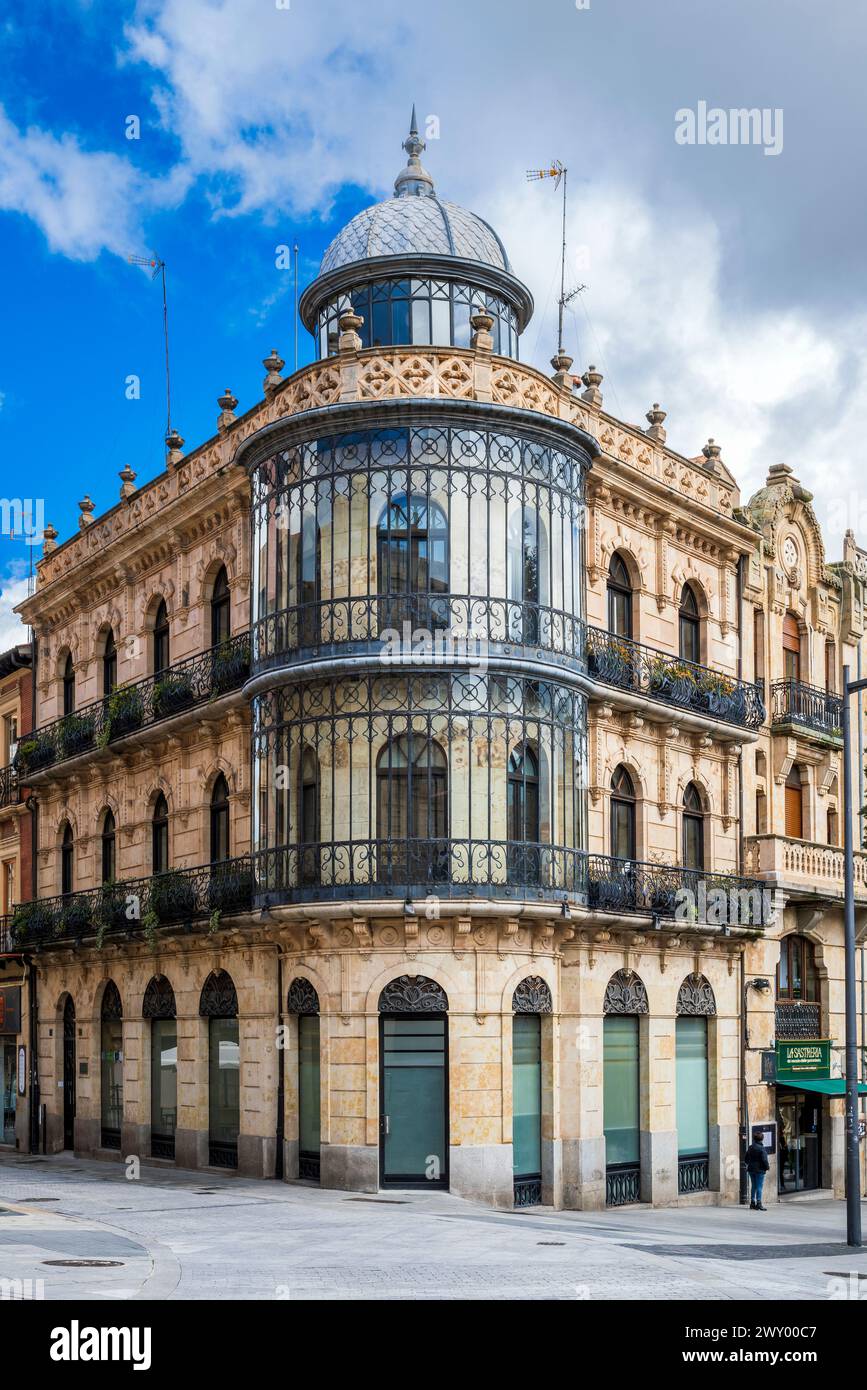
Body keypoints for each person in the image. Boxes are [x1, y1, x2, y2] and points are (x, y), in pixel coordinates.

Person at [745, 1133, 770, 1210]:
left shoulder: (750, 1147)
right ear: (762, 1139)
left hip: (751, 1169)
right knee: (759, 1187)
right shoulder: (762, 1148)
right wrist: (767, 1167)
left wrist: (750, 1164)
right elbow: (764, 1160)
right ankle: (759, 1203)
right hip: (760, 1170)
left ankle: (752, 1203)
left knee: (754, 1186)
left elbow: (746, 1159)